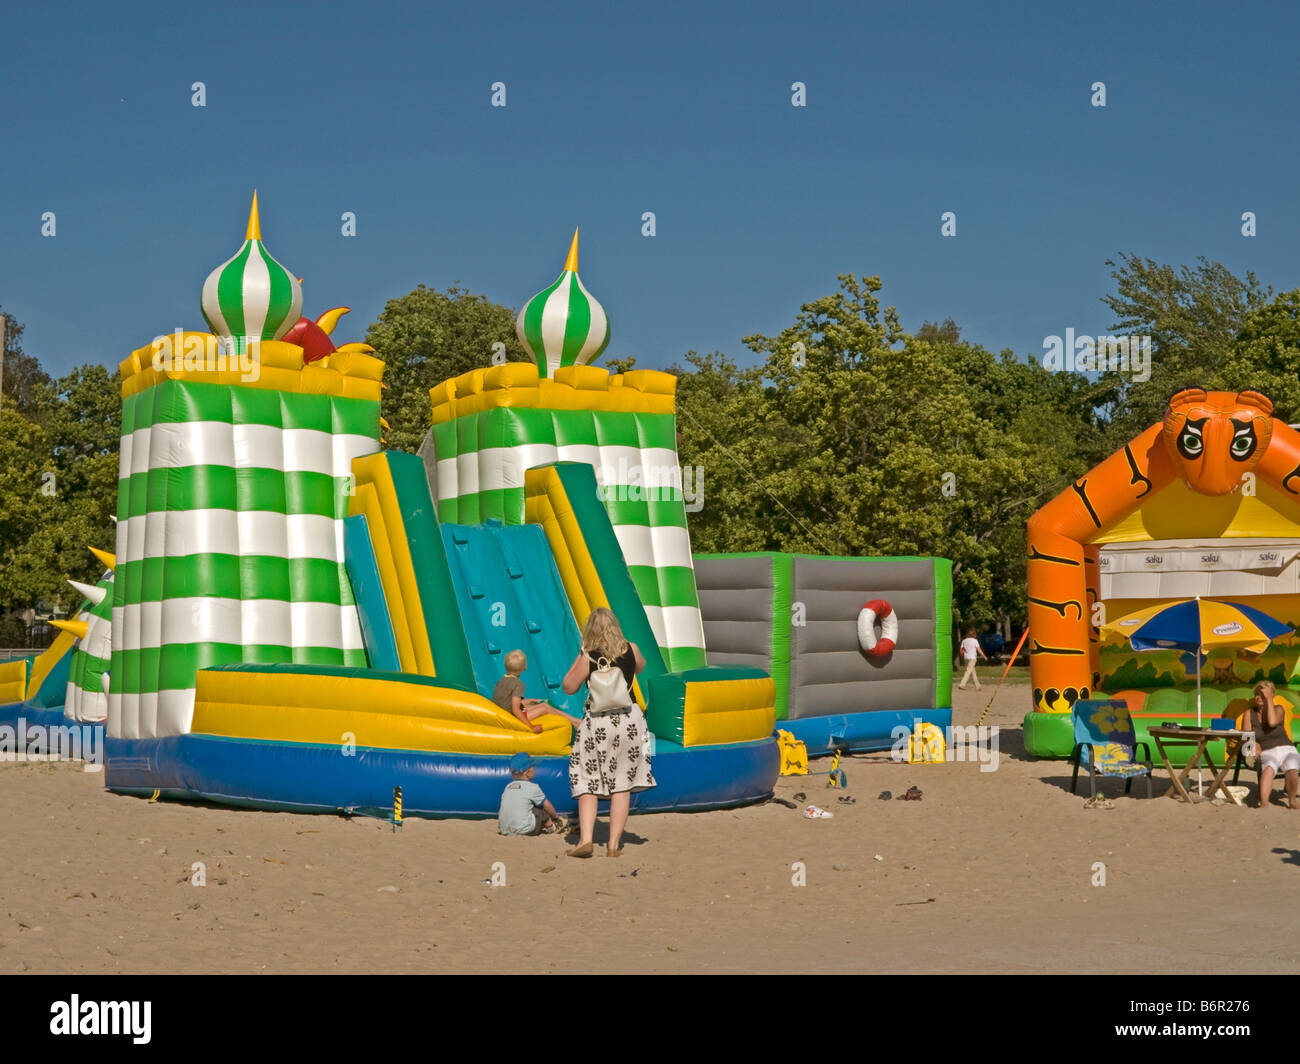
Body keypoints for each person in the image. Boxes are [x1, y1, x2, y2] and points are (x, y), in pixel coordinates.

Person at [561, 607, 655, 858]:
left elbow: (568, 687)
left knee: (588, 780)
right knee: (622, 784)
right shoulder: (631, 648)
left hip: (599, 722)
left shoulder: (589, 655)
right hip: (629, 720)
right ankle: (614, 845)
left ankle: (586, 840)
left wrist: (581, 653)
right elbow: (641, 668)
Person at [492, 649, 576, 733]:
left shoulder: (500, 681)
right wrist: (531, 727)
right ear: (524, 667)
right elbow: (515, 709)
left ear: (505, 665)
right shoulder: (518, 684)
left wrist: (531, 700)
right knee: (545, 707)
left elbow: (506, 702)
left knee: (541, 704)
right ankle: (574, 723)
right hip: (513, 718)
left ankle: (575, 721)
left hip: (505, 715)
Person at [1246, 680, 1299, 810]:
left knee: (1292, 767)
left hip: (1287, 748)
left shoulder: (1279, 709)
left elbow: (1272, 722)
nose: (1259, 697)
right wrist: (1254, 744)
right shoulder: (1249, 713)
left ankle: (1292, 801)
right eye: (1257, 694)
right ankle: (1264, 803)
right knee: (1268, 768)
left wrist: (1269, 700)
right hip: (1267, 750)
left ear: (1271, 696)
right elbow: (1246, 735)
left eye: (1263, 694)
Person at [497, 753, 566, 836]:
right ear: (527, 772)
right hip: (524, 830)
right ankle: (552, 827)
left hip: (504, 829)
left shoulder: (508, 787)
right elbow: (548, 806)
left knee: (524, 806)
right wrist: (556, 817)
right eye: (533, 767)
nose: (535, 769)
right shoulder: (532, 787)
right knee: (541, 809)